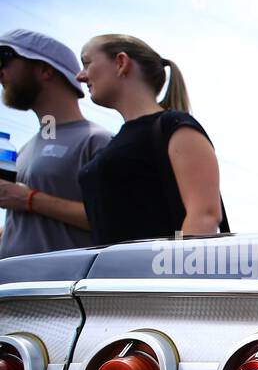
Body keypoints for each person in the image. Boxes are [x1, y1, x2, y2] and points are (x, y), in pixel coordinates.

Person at [75, 33, 228, 245]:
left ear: (121, 62)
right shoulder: (116, 143)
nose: (80, 76)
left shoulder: (174, 128)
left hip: (151, 276)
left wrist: (166, 276)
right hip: (111, 276)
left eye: (87, 63)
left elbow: (204, 217)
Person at [0, 29, 112, 258]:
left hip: (59, 289)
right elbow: (32, 229)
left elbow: (117, 222)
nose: (1, 72)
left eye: (4, 58)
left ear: (45, 70)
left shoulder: (97, 141)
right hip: (14, 289)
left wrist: (30, 199)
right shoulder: (24, 149)